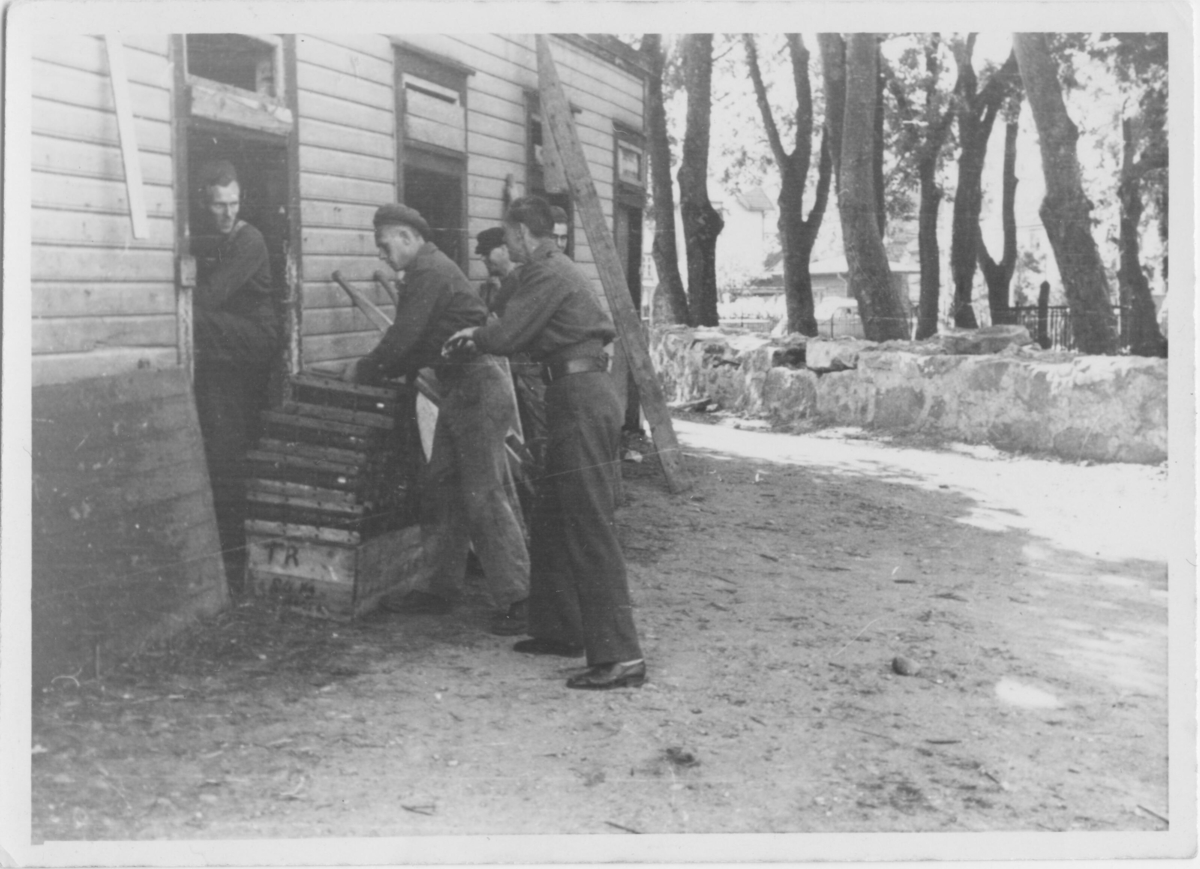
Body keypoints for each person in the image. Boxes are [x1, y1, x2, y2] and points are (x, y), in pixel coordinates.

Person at [444, 196, 646, 691]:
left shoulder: (548, 272)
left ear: (520, 234)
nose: (506, 245)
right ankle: (561, 629)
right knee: (553, 515)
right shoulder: (547, 268)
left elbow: (509, 334)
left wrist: (476, 332)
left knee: (589, 522)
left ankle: (622, 656)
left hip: (581, 396)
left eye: (508, 236)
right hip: (570, 394)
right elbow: (510, 305)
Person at [345, 205, 530, 635]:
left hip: (477, 388)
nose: (382, 255)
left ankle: (520, 598)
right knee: (443, 488)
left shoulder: (428, 272)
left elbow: (403, 338)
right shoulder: (427, 271)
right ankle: (438, 588)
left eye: (385, 244)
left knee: (483, 494)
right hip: (459, 389)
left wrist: (365, 369)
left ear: (407, 237)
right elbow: (417, 344)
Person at [192, 160, 280, 590]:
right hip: (228, 349)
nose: (227, 213)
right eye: (218, 205)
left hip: (253, 339)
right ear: (204, 204)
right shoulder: (217, 240)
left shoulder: (250, 240)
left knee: (192, 317)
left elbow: (210, 297)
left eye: (234, 203)